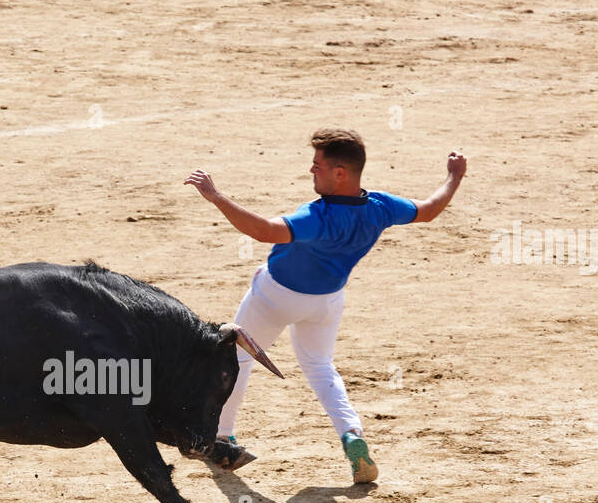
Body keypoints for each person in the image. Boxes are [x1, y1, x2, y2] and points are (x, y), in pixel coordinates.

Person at [185, 128, 466, 483]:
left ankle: (222, 436)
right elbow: (428, 210)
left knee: (237, 358)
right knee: (320, 367)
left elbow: (265, 231)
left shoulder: (319, 216)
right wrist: (454, 177)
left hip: (275, 297)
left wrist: (215, 196)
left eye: (318, 165)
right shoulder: (381, 207)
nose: (311, 170)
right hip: (326, 302)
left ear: (340, 173)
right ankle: (352, 435)